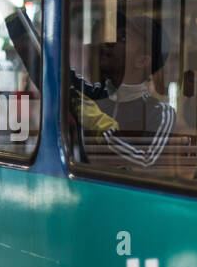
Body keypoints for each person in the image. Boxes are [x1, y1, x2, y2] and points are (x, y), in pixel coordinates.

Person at [70, 14, 175, 169]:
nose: (108, 43)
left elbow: (146, 161)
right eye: (114, 36)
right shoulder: (94, 96)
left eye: (124, 39)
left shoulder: (160, 113)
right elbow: (47, 70)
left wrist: (101, 126)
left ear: (142, 61)